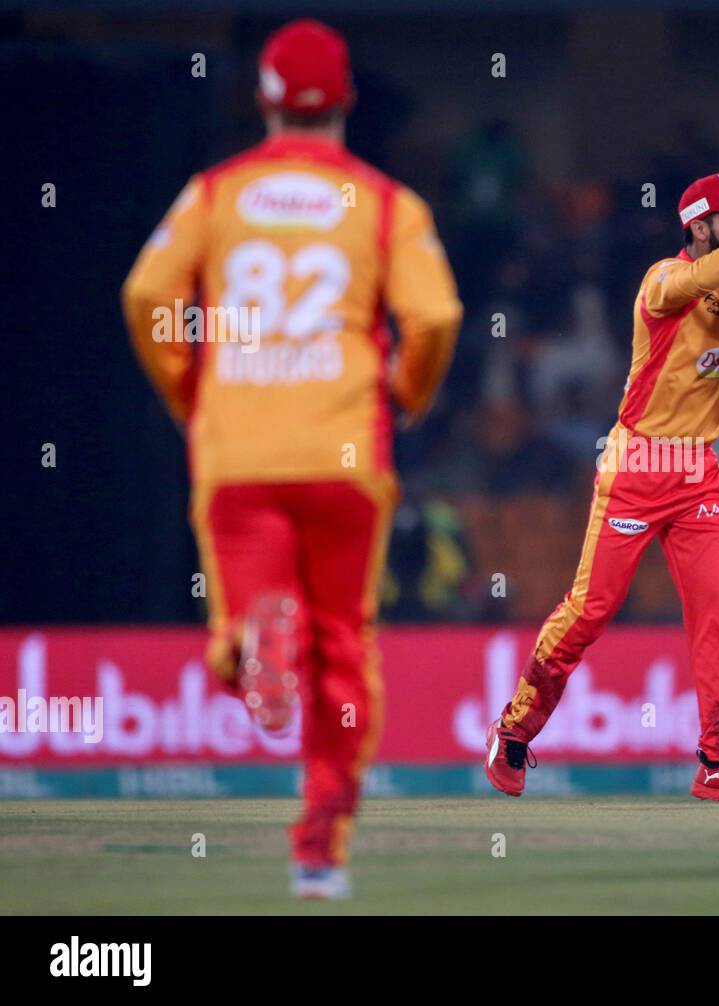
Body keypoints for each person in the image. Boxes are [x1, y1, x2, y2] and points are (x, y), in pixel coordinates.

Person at [121, 19, 462, 896]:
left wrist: (190, 393)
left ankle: (244, 646)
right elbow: (435, 320)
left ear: (264, 101)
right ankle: (320, 845)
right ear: (346, 100)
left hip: (239, 451)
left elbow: (149, 293)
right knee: (344, 645)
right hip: (343, 450)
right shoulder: (389, 205)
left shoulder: (214, 195)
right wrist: (406, 393)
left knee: (249, 624)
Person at [485, 170, 719, 803]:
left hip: (698, 472)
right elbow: (695, 280)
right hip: (636, 469)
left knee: (717, 618)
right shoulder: (661, 281)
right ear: (699, 226)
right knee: (590, 612)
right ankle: (514, 730)